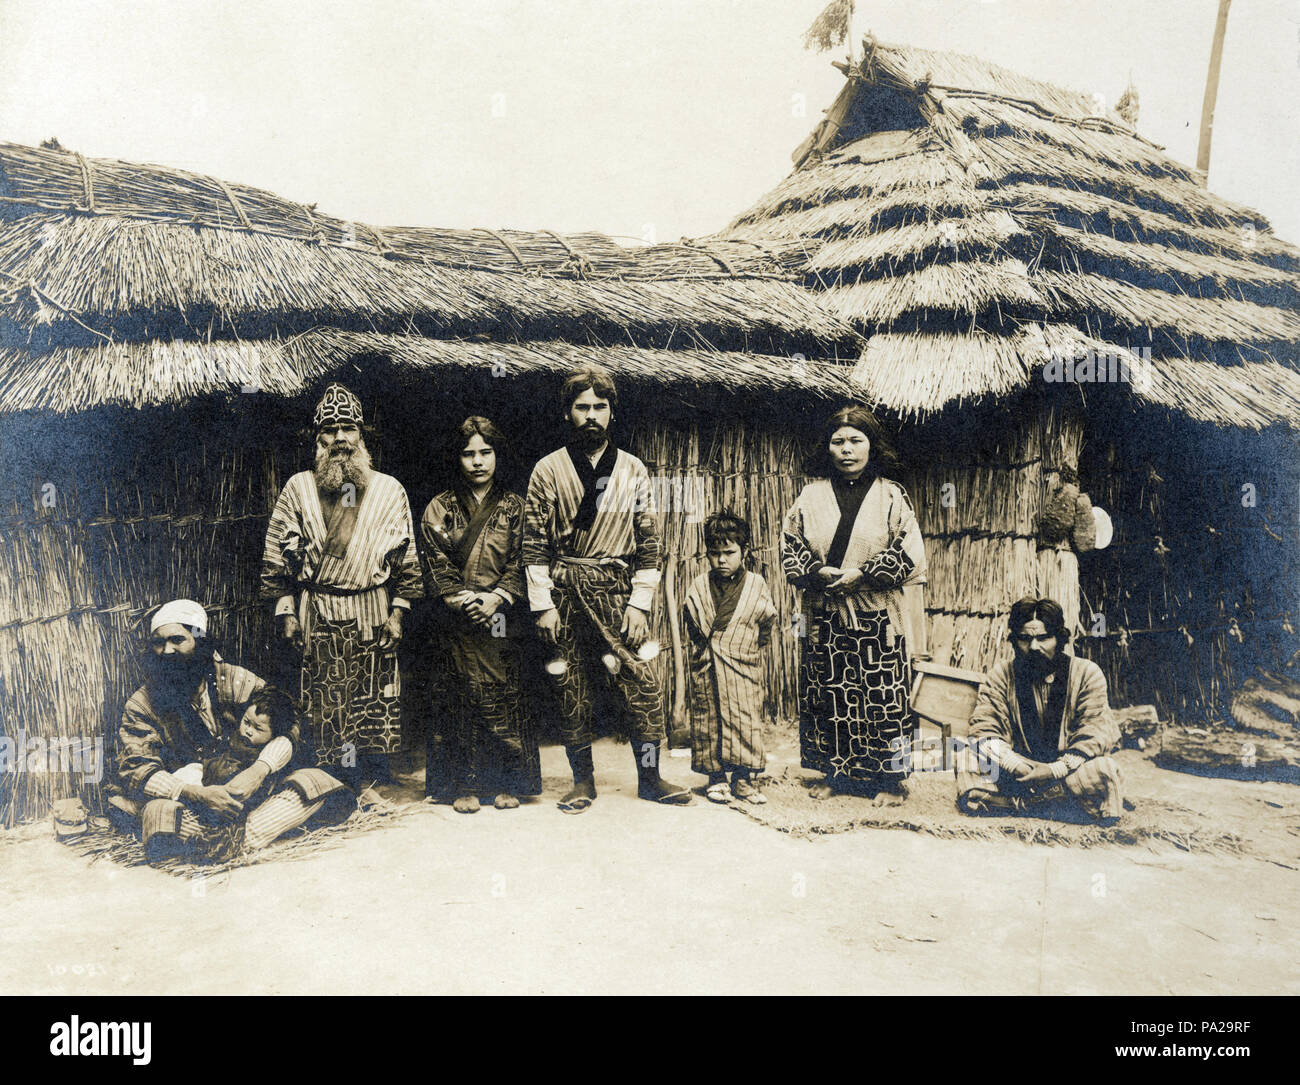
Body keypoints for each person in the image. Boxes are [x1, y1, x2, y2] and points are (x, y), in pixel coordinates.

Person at [523, 364, 691, 812]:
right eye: (582, 407)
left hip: (619, 592)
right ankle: (582, 782)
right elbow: (534, 543)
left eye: (600, 407)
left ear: (612, 413)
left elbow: (650, 544)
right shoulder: (547, 469)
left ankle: (651, 777)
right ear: (567, 414)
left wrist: (639, 603)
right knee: (570, 684)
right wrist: (542, 604)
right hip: (566, 589)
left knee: (643, 681)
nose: (591, 415)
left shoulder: (633, 469)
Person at [260, 383, 424, 798]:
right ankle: (333, 779)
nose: (339, 440)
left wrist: (399, 613)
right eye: (329, 432)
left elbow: (407, 560)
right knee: (324, 696)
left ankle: (371, 775)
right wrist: (287, 613)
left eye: (347, 429)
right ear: (318, 441)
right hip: (319, 605)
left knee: (374, 692)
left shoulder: (390, 489)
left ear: (361, 435)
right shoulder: (298, 488)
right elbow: (275, 558)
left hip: (373, 604)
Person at [105, 599, 354, 862]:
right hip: (191, 797)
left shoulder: (233, 679)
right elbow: (138, 769)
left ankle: (221, 843)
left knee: (313, 781)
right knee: (159, 813)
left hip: (247, 789)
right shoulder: (142, 705)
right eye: (159, 642)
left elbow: (289, 719)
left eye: (178, 640)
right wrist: (199, 794)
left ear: (199, 641)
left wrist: (258, 771)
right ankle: (249, 837)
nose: (167, 651)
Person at [781, 405, 927, 805]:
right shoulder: (810, 496)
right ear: (827, 448)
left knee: (882, 693)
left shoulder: (891, 495)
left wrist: (862, 574)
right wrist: (816, 573)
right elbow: (790, 545)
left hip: (877, 613)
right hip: (825, 612)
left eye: (856, 440)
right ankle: (836, 773)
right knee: (830, 690)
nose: (846, 449)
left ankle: (889, 781)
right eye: (838, 441)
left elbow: (909, 552)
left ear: (871, 445)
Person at [419, 416, 541, 813]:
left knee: (504, 696)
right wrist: (460, 597)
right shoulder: (440, 507)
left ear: (497, 455)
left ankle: (508, 783)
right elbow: (433, 557)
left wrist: (498, 597)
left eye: (485, 453)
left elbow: (525, 556)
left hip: (501, 616)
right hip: (457, 617)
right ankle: (461, 785)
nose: (477, 461)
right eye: (468, 453)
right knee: (458, 697)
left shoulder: (515, 507)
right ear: (457, 458)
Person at [956, 596, 1123, 822]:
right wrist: (1015, 764)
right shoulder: (1001, 675)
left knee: (1104, 768)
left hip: (1067, 772)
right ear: (1015, 641)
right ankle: (1052, 807)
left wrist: (1053, 770)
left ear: (1059, 638)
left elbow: (1095, 731)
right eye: (1025, 639)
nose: (1034, 647)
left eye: (1044, 638)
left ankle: (1014, 805)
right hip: (1017, 771)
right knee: (965, 753)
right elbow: (985, 726)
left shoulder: (1087, 673)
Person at [684, 510, 778, 805]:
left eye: (729, 552)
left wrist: (745, 648)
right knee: (708, 719)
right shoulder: (699, 585)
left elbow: (767, 623)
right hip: (708, 666)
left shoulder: (756, 585)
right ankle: (715, 778)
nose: (722, 560)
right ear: (707, 554)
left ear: (744, 551)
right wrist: (707, 650)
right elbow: (691, 620)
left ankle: (742, 779)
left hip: (743, 664)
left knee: (745, 719)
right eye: (715, 554)